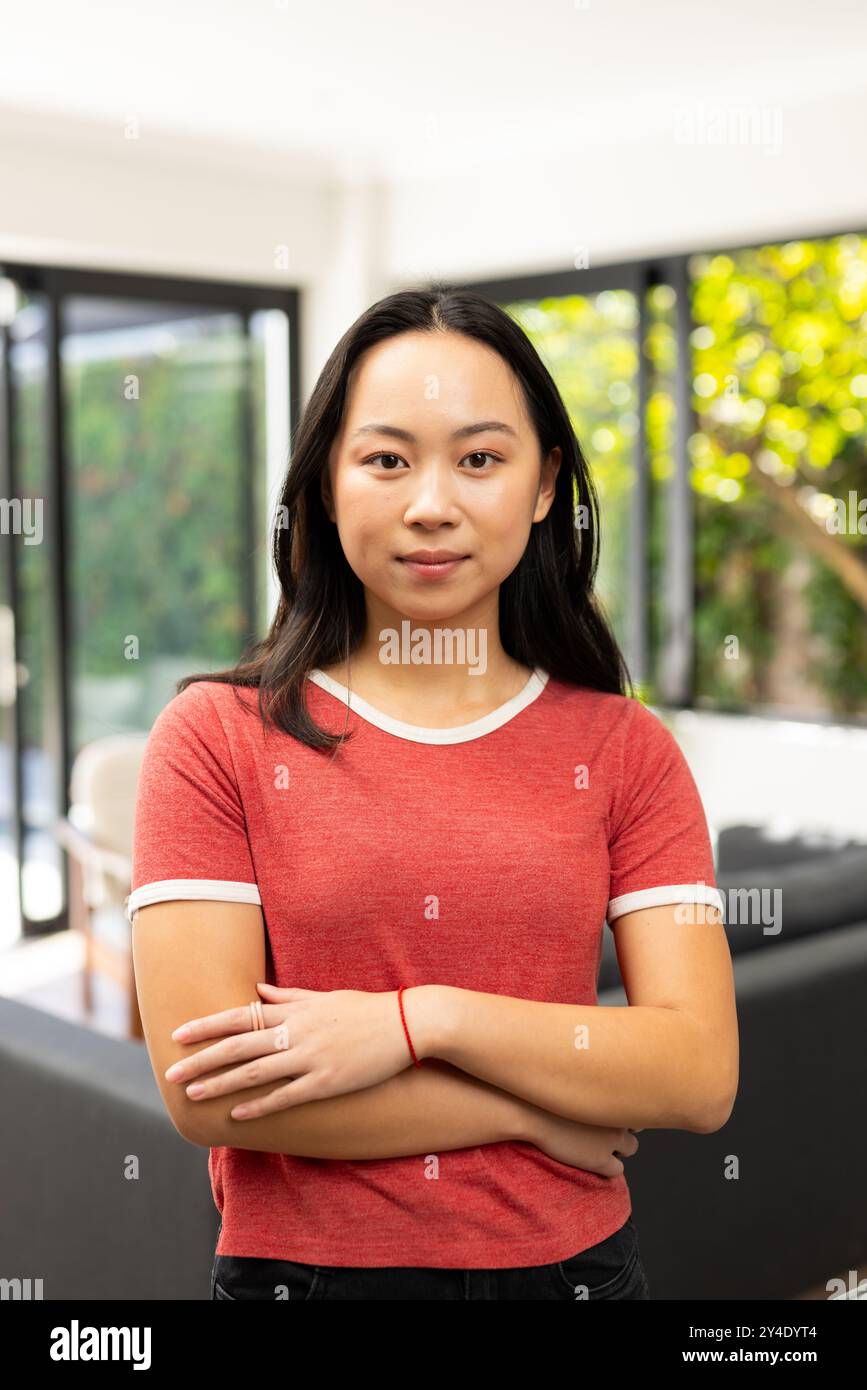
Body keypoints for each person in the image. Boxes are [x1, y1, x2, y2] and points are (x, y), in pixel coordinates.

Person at [129, 285, 738, 1301]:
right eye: (386, 458)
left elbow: (698, 1069)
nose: (431, 502)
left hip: (574, 1275)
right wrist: (532, 1112)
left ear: (545, 484)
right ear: (327, 483)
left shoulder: (627, 750)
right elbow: (214, 1095)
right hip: (307, 1278)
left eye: (481, 458)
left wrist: (421, 1020)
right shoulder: (216, 739)